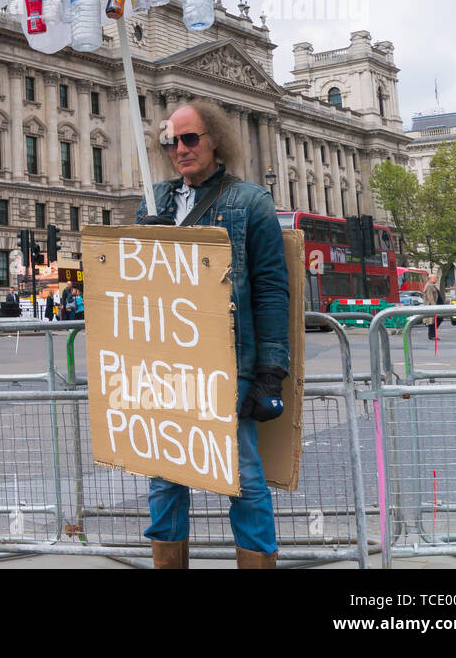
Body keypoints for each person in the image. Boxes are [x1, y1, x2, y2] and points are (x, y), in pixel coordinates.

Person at [137, 100, 289, 569]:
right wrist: (145, 238)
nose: (179, 149)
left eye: (190, 138)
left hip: (227, 363)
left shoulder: (250, 202)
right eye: (171, 141)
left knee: (241, 475)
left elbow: (270, 290)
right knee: (163, 478)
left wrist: (271, 369)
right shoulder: (153, 201)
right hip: (164, 363)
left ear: (216, 139)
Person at [423, 274, 441, 341]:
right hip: (432, 306)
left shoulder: (432, 285)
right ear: (431, 278)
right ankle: (432, 335)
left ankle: (432, 334)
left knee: (436, 320)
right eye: (435, 278)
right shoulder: (429, 286)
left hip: (435, 306)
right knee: (434, 320)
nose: (436, 279)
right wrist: (434, 306)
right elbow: (430, 297)